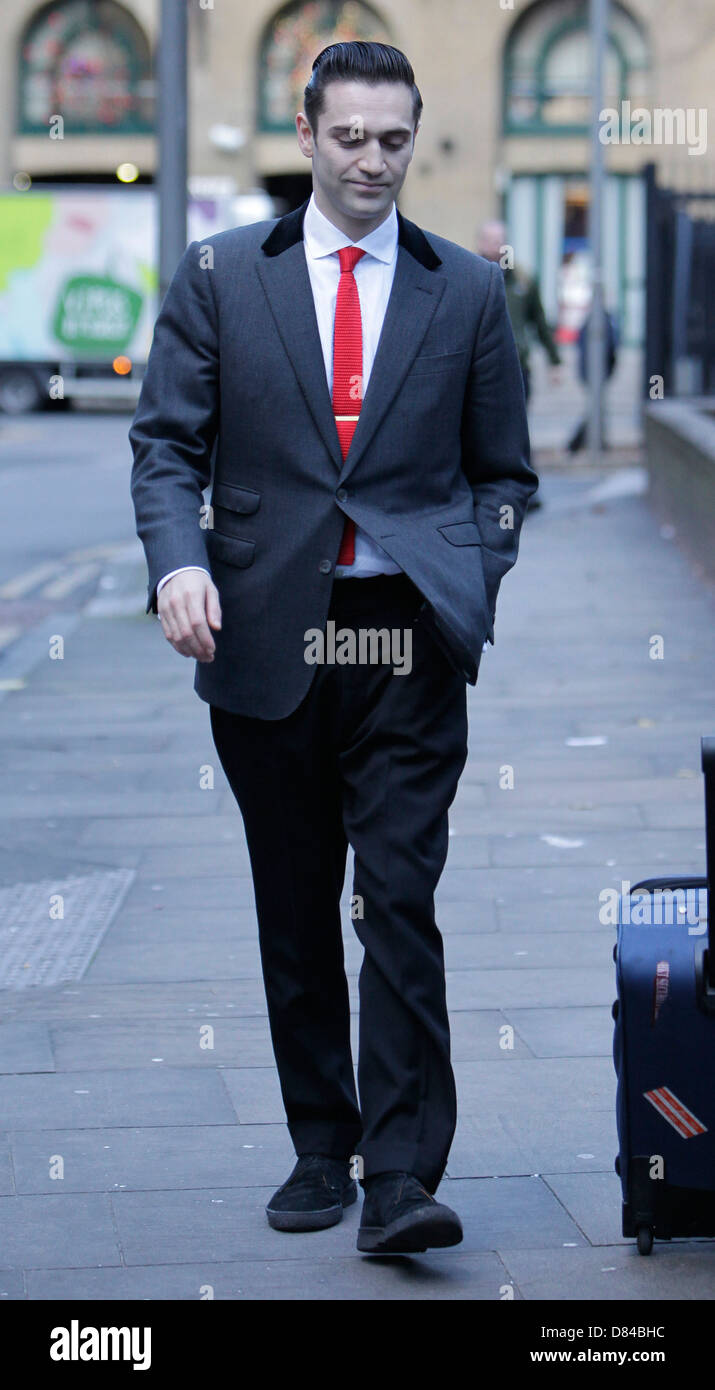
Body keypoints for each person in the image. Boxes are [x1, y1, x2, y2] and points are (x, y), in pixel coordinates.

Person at [130, 41, 537, 1257]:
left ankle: (402, 1174)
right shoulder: (219, 277)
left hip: (404, 637)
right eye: (349, 136)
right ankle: (324, 1143)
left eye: (393, 138)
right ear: (306, 134)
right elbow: (164, 446)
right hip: (266, 638)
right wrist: (178, 561)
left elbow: (505, 476)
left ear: (414, 139)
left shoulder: (462, 289)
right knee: (296, 904)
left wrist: (471, 570)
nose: (372, 160)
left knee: (398, 898)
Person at [477, 220, 560, 509]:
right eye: (490, 240)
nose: (496, 246)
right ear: (480, 242)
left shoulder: (523, 281)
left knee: (518, 428)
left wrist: (555, 361)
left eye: (500, 240)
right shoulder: (467, 275)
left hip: (517, 368)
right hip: (478, 371)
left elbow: (540, 321)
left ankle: (526, 491)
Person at [566, 306, 619, 453]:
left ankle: (593, 441)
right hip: (595, 372)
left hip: (592, 372)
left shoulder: (589, 320)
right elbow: (612, 348)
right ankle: (576, 443)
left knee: (597, 407)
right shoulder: (603, 321)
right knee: (596, 408)